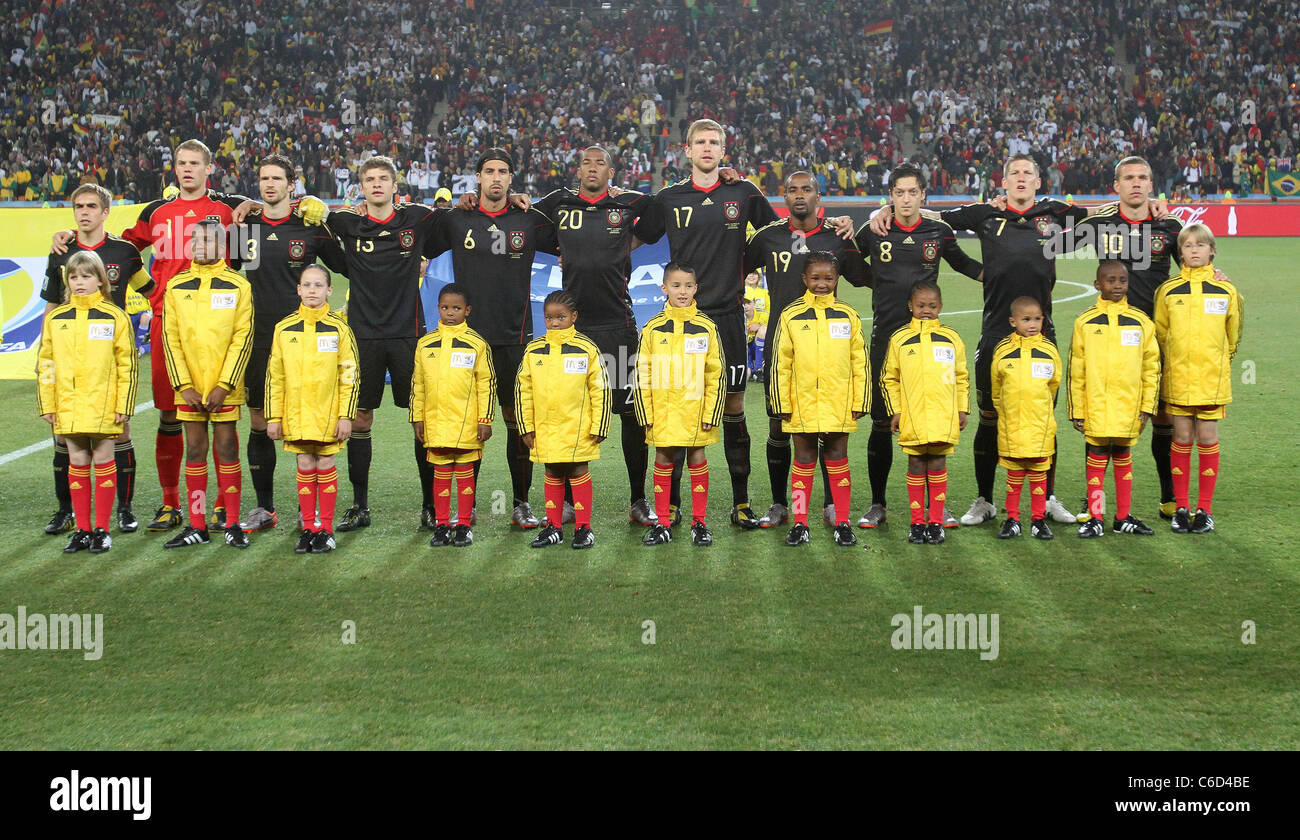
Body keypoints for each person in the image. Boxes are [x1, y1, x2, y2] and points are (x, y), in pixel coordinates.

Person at [868, 154, 1113, 527]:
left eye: (1027, 173)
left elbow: (1099, 216)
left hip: (1041, 333)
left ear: (1037, 182)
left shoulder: (1053, 212)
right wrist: (884, 209)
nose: (1020, 178)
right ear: (1003, 181)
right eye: (1013, 172)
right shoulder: (984, 213)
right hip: (996, 333)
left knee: (1042, 415)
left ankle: (1045, 497)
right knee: (988, 416)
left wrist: (1147, 203)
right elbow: (930, 218)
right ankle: (984, 499)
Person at [52, 140, 264, 534]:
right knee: (171, 415)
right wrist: (76, 233)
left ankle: (220, 506)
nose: (187, 170)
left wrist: (251, 205)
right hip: (171, 327)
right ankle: (171, 505)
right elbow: (118, 250)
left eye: (194, 164)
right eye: (181, 163)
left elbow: (246, 261)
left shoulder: (225, 213)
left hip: (218, 327)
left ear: (208, 168)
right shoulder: (157, 212)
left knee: (221, 420)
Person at [637, 119, 782, 530]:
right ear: (686, 150)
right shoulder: (668, 198)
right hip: (684, 324)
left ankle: (740, 502)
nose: (706, 148)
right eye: (699, 142)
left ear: (723, 150)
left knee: (734, 407)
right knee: (679, 411)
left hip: (728, 317)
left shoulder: (743, 192)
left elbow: (779, 233)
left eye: (713, 142)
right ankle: (676, 504)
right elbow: (631, 237)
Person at [427, 149, 559, 529]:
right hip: (468, 340)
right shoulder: (458, 218)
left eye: (503, 172)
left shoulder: (528, 218)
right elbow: (417, 235)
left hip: (515, 336)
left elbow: (568, 230)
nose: (496, 178)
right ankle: (459, 512)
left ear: (512, 178)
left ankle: (519, 503)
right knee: (469, 424)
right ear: (478, 177)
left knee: (515, 420)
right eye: (489, 172)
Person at [853, 163, 982, 529]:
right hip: (886, 339)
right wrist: (873, 280)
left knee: (931, 425)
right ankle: (878, 504)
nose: (906, 199)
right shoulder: (875, 229)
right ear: (890, 196)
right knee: (881, 423)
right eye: (899, 193)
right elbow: (848, 260)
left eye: (913, 192)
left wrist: (998, 275)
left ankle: (933, 508)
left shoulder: (937, 230)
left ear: (923, 195)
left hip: (927, 343)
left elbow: (963, 263)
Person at [534, 146, 657, 526]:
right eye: (586, 162)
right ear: (578, 169)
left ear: (611, 172)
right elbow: (527, 220)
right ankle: (569, 501)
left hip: (617, 327)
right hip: (573, 330)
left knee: (631, 414)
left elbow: (657, 210)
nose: (591, 168)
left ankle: (638, 499)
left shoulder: (626, 206)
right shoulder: (560, 203)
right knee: (571, 411)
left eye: (599, 163)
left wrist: (626, 209)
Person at [322, 155, 444, 533]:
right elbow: (316, 218)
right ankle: (360, 506)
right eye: (369, 179)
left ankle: (430, 506)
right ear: (360, 187)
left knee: (421, 422)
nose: (376, 185)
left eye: (382, 179)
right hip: (362, 336)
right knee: (360, 418)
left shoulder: (416, 220)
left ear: (395, 186)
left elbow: (452, 216)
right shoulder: (346, 222)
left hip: (408, 335)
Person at [744, 170, 867, 529]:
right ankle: (781, 504)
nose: (799, 195)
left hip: (829, 352)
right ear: (784, 198)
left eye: (807, 189)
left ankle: (831, 505)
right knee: (779, 427)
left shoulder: (836, 235)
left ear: (818, 197)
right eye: (792, 190)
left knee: (829, 428)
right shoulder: (768, 236)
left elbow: (864, 275)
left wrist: (857, 235)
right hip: (783, 350)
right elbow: (736, 270)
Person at [237, 155, 347, 534]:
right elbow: (223, 266)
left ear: (291, 184)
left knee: (309, 423)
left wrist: (328, 217)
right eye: (263, 178)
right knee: (257, 420)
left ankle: (312, 510)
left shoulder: (309, 226)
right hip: (256, 336)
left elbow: (347, 266)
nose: (269, 185)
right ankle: (265, 507)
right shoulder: (245, 224)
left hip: (305, 342)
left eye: (277, 179)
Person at [40, 183, 153, 536]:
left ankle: (124, 508)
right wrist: (46, 348)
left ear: (105, 212)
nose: (84, 212)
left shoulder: (125, 251)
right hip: (70, 355)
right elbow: (52, 303)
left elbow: (151, 290)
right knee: (64, 437)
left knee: (120, 433)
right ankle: (66, 511)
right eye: (78, 206)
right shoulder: (61, 250)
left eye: (91, 206)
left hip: (108, 357)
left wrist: (155, 320)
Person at [159, 220, 254, 549]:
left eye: (209, 240)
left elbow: (242, 338)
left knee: (227, 448)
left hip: (222, 387)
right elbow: (170, 339)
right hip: (190, 388)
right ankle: (196, 524)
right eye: (195, 240)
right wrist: (183, 385)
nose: (200, 245)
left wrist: (224, 385)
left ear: (222, 246)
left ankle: (231, 523)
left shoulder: (238, 286)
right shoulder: (176, 286)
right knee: (195, 450)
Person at [36, 251, 138, 554]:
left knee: (105, 461)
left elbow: (127, 365)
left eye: (86, 276)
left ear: (100, 280)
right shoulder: (56, 318)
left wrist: (124, 404)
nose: (80, 282)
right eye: (74, 277)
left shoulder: (114, 316)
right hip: (67, 405)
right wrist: (48, 404)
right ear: (67, 281)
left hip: (104, 405)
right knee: (77, 462)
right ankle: (81, 530)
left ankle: (102, 530)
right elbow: (46, 363)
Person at [766, 251, 867, 548]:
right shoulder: (791, 315)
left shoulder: (848, 315)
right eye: (815, 278)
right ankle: (800, 523)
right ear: (804, 279)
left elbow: (860, 359)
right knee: (804, 459)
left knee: (838, 458)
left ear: (837, 280)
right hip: (802, 402)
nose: (822, 284)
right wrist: (782, 403)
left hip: (839, 401)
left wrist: (860, 399)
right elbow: (780, 363)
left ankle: (843, 521)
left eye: (828, 279)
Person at [1154, 224, 1244, 534]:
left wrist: (1217, 362)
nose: (1194, 250)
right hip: (1178, 378)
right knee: (1181, 438)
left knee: (1207, 438)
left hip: (1211, 380)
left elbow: (1232, 337)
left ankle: (1204, 509)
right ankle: (1181, 507)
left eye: (1200, 245)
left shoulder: (1227, 290)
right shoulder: (1168, 290)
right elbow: (1161, 334)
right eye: (1188, 245)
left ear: (1212, 250)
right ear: (1180, 252)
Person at [264, 265, 358, 555]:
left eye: (319, 286)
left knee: (325, 465)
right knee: (305, 465)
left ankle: (326, 531)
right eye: (307, 285)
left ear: (330, 290)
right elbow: (275, 375)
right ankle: (308, 528)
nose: (313, 291)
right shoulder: (284, 328)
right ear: (299, 290)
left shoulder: (340, 328)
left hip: (329, 415)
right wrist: (274, 416)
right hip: (296, 415)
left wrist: (345, 415)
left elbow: (350, 374)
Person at [634, 262, 725, 547]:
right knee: (663, 459)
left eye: (688, 285)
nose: (682, 291)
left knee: (697, 458)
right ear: (664, 288)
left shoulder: (706, 327)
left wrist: (712, 411)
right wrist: (646, 414)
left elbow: (716, 372)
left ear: (696, 288)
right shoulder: (652, 328)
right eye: (676, 285)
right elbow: (642, 374)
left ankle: (700, 523)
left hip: (697, 411)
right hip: (663, 412)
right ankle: (662, 522)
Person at [1067, 261, 1160, 538]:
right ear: (1098, 285)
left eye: (1122, 280)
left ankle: (1122, 517)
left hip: (1128, 405)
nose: (1117, 285)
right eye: (1110, 280)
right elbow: (1076, 370)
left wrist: (1147, 406)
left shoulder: (1142, 322)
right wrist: (1077, 409)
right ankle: (1095, 516)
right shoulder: (1085, 321)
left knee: (1122, 454)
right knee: (1096, 455)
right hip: (1095, 404)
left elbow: (1152, 366)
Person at [515, 290, 610, 550]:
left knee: (578, 470)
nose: (554, 323)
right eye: (549, 317)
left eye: (561, 317)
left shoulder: (586, 348)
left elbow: (601, 388)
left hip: (578, 427)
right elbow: (523, 390)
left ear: (573, 317)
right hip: (545, 427)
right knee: (552, 471)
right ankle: (553, 527)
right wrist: (526, 426)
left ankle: (583, 528)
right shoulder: (534, 350)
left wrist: (600, 424)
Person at [881, 281, 969, 545]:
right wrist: (895, 411)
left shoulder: (952, 338)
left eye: (932, 306)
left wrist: (962, 408)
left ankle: (936, 521)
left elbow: (961, 376)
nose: (926, 310)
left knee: (938, 463)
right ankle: (917, 523)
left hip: (944, 415)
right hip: (913, 416)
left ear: (940, 306)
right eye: (921, 305)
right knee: (917, 464)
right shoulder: (899, 338)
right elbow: (890, 379)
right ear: (910, 306)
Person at [410, 284, 495, 548]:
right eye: (445, 307)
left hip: (467, 424)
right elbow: (418, 385)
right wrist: (417, 417)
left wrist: (485, 419)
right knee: (441, 472)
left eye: (456, 308)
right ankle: (442, 524)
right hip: (436, 424)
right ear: (438, 308)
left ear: (467, 311)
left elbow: (487, 384)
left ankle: (464, 526)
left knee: (465, 472)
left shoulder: (477, 344)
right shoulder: (425, 344)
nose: (450, 313)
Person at [991, 297, 1062, 539]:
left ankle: (1039, 519)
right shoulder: (1002, 350)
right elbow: (996, 389)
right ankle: (1012, 518)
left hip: (1040, 424)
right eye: (1026, 319)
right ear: (1013, 321)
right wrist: (1008, 412)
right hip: (1012, 424)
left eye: (1037, 319)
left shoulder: (1049, 350)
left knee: (1038, 471)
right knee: (1015, 472)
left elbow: (1053, 385)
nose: (1033, 324)